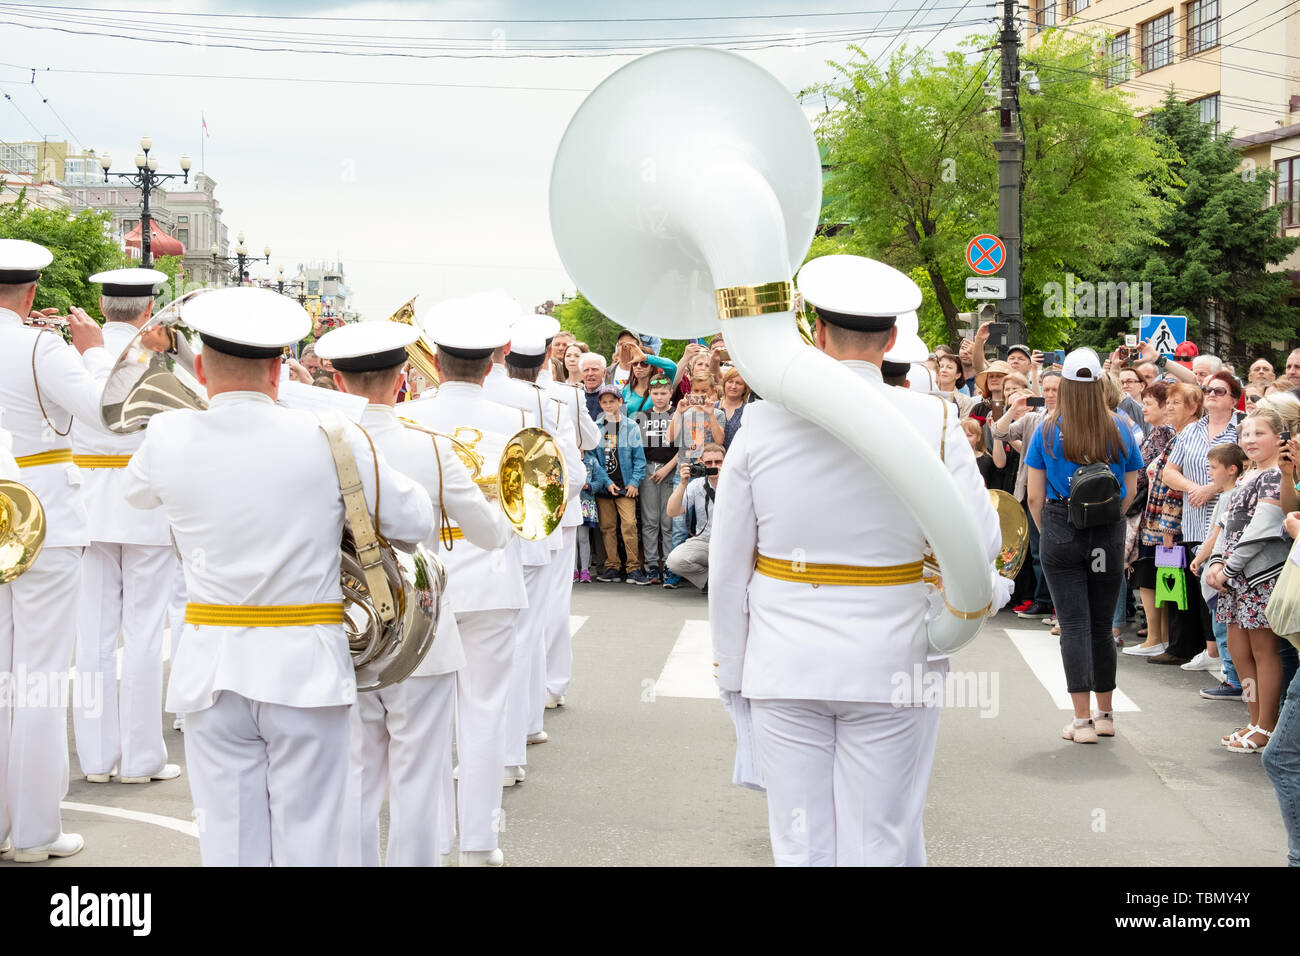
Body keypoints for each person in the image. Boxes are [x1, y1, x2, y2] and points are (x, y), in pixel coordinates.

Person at [124, 288, 434, 866]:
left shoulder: (166, 436)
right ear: (277, 368)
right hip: (305, 668)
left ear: (198, 367)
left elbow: (135, 493)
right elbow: (415, 521)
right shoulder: (329, 436)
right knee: (311, 841)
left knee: (229, 842)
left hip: (211, 667)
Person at [709, 255, 1001, 866]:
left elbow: (727, 567)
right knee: (882, 841)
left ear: (816, 333)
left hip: (784, 660)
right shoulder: (936, 419)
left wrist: (735, 674)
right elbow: (981, 545)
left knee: (800, 845)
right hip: (894, 654)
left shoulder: (760, 423)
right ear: (894, 338)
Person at [316, 320, 510, 867]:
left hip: (342, 627)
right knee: (419, 778)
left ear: (336, 380)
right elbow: (490, 535)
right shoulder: (429, 447)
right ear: (402, 379)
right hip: (418, 634)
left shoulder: (317, 442)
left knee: (353, 774)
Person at [400, 294, 530, 866]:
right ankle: (479, 842)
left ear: (434, 355)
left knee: (422, 721)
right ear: (496, 357)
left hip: (424, 582)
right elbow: (530, 509)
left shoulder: (410, 416)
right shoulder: (518, 421)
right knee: (485, 712)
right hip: (492, 579)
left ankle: (425, 845)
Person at [0, 239, 112, 863]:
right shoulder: (43, 345)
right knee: (38, 676)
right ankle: (37, 831)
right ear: (32, 292)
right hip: (39, 515)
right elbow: (104, 415)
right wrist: (93, 356)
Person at [71, 268, 182, 789]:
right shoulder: (155, 365)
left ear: (101, 303)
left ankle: (95, 759)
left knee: (92, 635)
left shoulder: (77, 357)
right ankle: (140, 758)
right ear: (149, 309)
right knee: (142, 633)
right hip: (143, 506)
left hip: (89, 507)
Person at [1026, 348, 1142, 744]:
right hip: (1106, 531)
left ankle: (1080, 722)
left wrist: (1049, 532)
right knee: (1101, 624)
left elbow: (1034, 497)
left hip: (1061, 525)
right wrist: (1111, 517)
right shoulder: (1121, 427)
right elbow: (1131, 488)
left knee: (1072, 624)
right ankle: (1106, 713)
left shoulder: (1046, 428)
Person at [1205, 406, 1293, 753]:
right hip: (1232, 580)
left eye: (1260, 433)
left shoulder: (1276, 476)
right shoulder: (1245, 477)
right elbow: (1225, 525)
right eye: (1245, 434)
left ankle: (1267, 725)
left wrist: (1227, 568)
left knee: (1263, 651)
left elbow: (1263, 529)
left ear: (1278, 437)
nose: (1251, 440)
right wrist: (1215, 560)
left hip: (1259, 578)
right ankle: (1253, 716)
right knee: (1240, 653)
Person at [1158, 371, 1242, 665]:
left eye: (1219, 391)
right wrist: (1196, 488)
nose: (1211, 394)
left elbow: (1248, 467)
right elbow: (1169, 471)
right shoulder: (1192, 430)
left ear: (1233, 398)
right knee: (1198, 583)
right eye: (1208, 390)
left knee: (1219, 582)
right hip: (1193, 517)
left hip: (1229, 518)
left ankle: (1224, 653)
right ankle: (1209, 649)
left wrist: (1213, 488)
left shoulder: (1241, 427)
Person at [990, 370, 1062, 622]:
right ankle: (1043, 600)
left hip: (1059, 494)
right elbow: (999, 433)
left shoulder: (1071, 419)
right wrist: (1013, 409)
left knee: (1054, 551)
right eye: (1047, 388)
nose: (1051, 394)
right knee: (1036, 552)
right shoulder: (1033, 418)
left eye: (1056, 389)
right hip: (1031, 489)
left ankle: (1056, 603)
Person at [1189, 443, 1250, 701]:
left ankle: (1234, 680)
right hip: (1217, 572)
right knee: (1223, 627)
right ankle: (1233, 677)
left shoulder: (1229, 497)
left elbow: (1217, 535)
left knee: (1224, 630)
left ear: (1232, 469)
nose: (1210, 473)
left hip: (1219, 573)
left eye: (1214, 467)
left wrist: (1201, 557)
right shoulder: (1229, 495)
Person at [1122, 382, 1179, 656]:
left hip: (1159, 519)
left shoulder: (1163, 433)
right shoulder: (1159, 432)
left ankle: (1156, 638)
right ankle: (1160, 637)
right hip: (1156, 516)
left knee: (1152, 577)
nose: (1143, 407)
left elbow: (1142, 472)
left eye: (1149, 403)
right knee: (1154, 577)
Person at [587, 385, 648, 584]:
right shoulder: (596, 428)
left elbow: (639, 459)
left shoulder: (631, 427)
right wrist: (606, 481)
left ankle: (633, 567)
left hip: (626, 485)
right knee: (607, 526)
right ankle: (612, 566)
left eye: (612, 401)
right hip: (606, 486)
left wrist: (634, 482)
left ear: (620, 402)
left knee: (629, 525)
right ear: (600, 404)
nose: (608, 405)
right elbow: (593, 460)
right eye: (604, 402)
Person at [665, 443, 724, 591]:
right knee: (674, 561)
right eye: (709, 462)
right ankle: (710, 583)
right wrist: (683, 484)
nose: (713, 466)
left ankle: (729, 582)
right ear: (702, 463)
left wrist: (726, 479)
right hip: (705, 541)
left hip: (733, 543)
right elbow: (672, 512)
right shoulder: (697, 485)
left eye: (718, 462)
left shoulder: (738, 483)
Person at [638, 376, 679, 585]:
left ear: (670, 393)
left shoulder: (677, 415)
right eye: (656, 393)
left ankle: (670, 565)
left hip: (670, 470)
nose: (660, 397)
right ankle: (652, 565)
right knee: (650, 521)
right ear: (650, 394)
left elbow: (684, 447)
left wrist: (667, 468)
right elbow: (637, 449)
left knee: (668, 520)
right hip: (648, 469)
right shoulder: (642, 417)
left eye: (664, 393)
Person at [622, 346, 677, 417]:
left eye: (644, 363)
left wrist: (646, 358)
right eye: (635, 363)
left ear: (651, 367)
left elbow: (672, 367)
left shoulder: (661, 383)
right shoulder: (626, 390)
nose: (638, 366)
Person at [715, 366, 751, 450]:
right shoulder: (712, 407)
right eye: (730, 382)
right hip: (712, 460)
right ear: (724, 384)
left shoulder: (749, 410)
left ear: (745, 388)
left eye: (738, 383)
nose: (733, 386)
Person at [962, 418, 995, 487]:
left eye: (969, 435)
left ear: (978, 437)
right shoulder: (953, 458)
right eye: (962, 435)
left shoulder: (987, 460)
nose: (965, 438)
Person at [579, 352, 606, 420]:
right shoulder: (577, 396)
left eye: (594, 369)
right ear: (581, 374)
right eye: (586, 370)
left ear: (604, 373)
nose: (590, 373)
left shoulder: (614, 395)